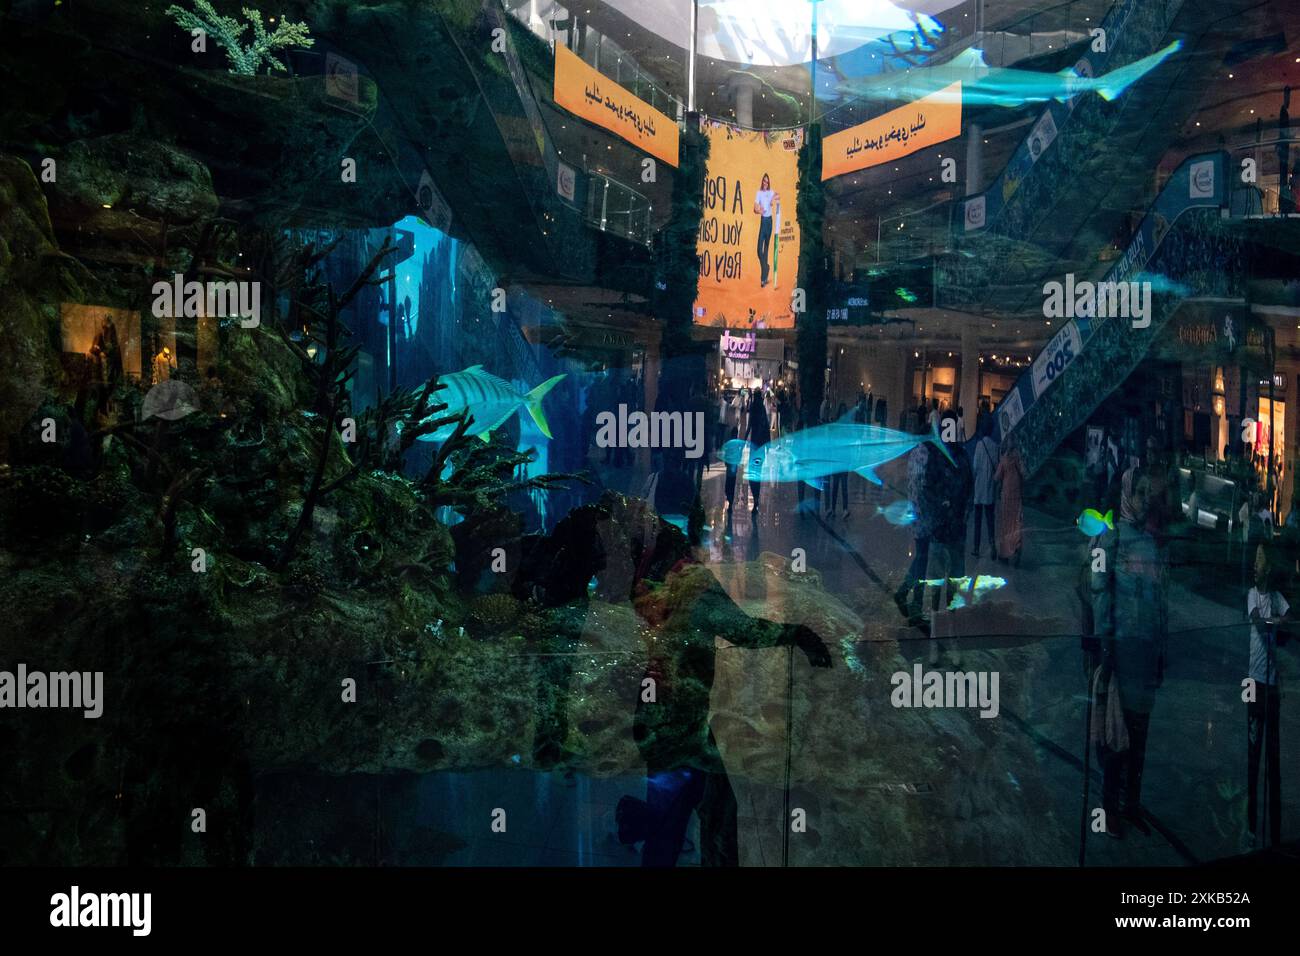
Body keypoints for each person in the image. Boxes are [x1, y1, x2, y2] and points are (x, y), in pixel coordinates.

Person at [1092, 469, 1169, 839]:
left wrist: (1162, 650)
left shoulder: (1151, 544)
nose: (1143, 500)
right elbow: (1099, 591)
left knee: (1140, 734)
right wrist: (1104, 644)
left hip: (1144, 652)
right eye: (1137, 492)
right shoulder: (1111, 540)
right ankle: (1110, 807)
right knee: (1116, 734)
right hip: (1120, 651)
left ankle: (1131, 803)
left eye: (1145, 493)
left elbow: (1162, 603)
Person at [1245, 544, 1289, 849]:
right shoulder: (1253, 595)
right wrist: (1276, 622)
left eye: (1260, 560)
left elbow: (1286, 621)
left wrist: (1276, 622)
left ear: (1269, 567)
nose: (1255, 565)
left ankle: (1273, 831)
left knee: (1272, 758)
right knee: (1253, 752)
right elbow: (1261, 625)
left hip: (1271, 683)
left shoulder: (1275, 598)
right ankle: (1250, 825)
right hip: (1254, 682)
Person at [923, 411, 974, 662]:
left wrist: (960, 515)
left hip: (954, 535)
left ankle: (950, 641)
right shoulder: (937, 458)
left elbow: (969, 493)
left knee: (951, 589)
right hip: (941, 533)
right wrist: (939, 509)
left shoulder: (962, 458)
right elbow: (927, 491)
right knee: (936, 589)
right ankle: (936, 641)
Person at [994, 433, 1026, 565]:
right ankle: (1017, 546)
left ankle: (1005, 554)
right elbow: (1024, 473)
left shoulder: (1004, 458)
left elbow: (997, 477)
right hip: (1017, 494)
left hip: (1006, 495)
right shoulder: (1018, 457)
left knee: (1006, 525)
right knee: (1016, 522)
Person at [971, 415, 998, 558]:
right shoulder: (995, 446)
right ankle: (992, 544)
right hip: (990, 489)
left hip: (978, 489)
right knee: (990, 519)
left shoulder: (979, 445)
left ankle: (976, 548)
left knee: (977, 521)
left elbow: (975, 467)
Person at [744, 389, 769, 518]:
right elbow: (767, 427)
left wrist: (743, 440)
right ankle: (756, 499)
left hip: (754, 445)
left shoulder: (754, 408)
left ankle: (755, 498)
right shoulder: (763, 410)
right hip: (761, 446)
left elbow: (749, 426)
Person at [826, 402, 851, 519]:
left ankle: (844, 508)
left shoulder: (846, 427)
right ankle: (834, 508)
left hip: (843, 459)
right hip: (837, 459)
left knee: (843, 485)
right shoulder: (838, 426)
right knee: (836, 485)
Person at [754, 173, 778, 288]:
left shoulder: (771, 192)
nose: (765, 183)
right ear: (762, 181)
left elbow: (778, 197)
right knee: (759, 250)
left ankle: (763, 279)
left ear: (769, 183)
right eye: (764, 181)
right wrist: (759, 210)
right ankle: (766, 268)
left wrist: (773, 199)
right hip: (763, 221)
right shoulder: (759, 193)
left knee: (766, 250)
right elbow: (755, 208)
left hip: (770, 222)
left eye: (767, 182)